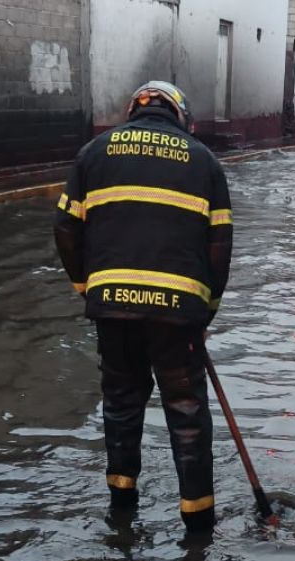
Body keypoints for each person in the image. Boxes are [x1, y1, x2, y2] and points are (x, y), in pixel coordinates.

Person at [54, 81, 233, 533]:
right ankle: (198, 525)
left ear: (132, 110)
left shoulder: (93, 154)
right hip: (179, 315)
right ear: (181, 116)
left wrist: (86, 287)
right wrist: (204, 310)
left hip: (112, 308)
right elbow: (220, 246)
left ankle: (122, 510)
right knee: (187, 413)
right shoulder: (204, 160)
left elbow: (66, 228)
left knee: (120, 405)